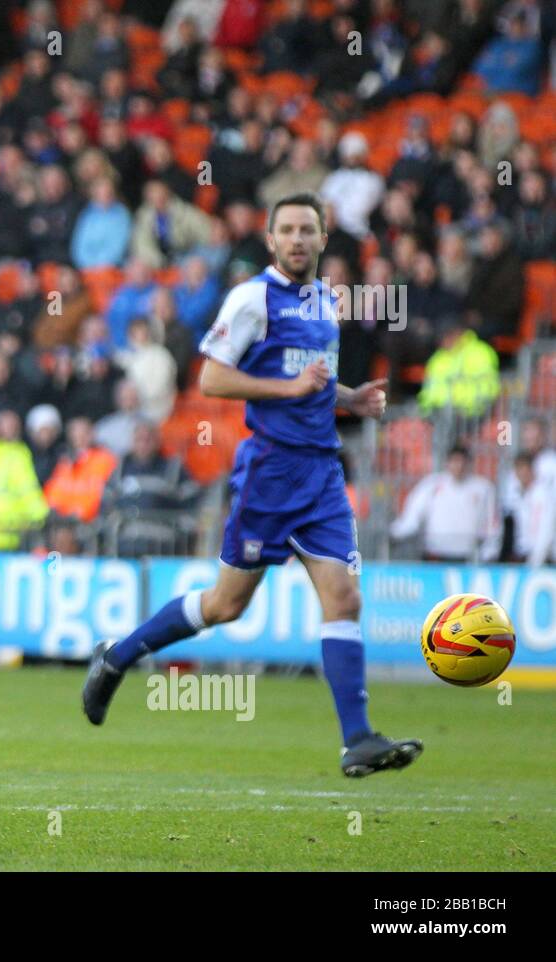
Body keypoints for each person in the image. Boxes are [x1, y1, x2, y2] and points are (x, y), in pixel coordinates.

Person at [82, 192, 423, 778]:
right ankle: (120, 654)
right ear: (270, 240)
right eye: (286, 229)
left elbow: (309, 380)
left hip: (320, 473)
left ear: (322, 239)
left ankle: (358, 739)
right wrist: (289, 392)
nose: (296, 239)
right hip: (269, 472)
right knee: (225, 605)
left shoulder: (324, 302)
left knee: (344, 598)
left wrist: (350, 397)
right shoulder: (250, 298)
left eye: (306, 230)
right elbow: (212, 379)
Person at [390, 445, 500, 563]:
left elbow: (492, 522)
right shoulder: (431, 485)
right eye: (455, 461)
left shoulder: (483, 488)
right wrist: (396, 533)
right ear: (447, 463)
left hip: (468, 556)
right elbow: (413, 516)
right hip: (435, 554)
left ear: (470, 463)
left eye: (463, 462)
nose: (459, 466)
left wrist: (490, 549)